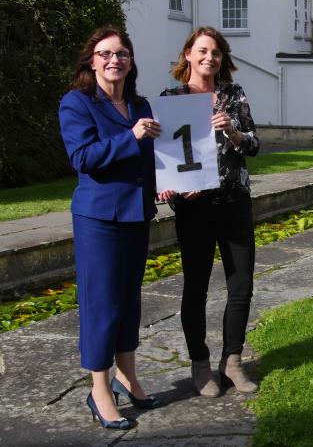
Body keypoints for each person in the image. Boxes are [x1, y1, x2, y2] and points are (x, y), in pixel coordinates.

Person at [59, 26, 162, 430]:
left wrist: (163, 187)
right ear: (91, 60)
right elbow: (83, 158)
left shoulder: (140, 104)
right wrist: (131, 137)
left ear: (130, 61)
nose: (113, 60)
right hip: (98, 218)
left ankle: (128, 376)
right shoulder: (77, 103)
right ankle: (99, 388)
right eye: (105, 54)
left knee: (129, 302)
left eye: (121, 53)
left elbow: (151, 158)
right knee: (101, 303)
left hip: (136, 214)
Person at [159, 26, 260, 397]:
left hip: (234, 200)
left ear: (222, 59)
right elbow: (164, 157)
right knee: (196, 287)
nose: (209, 58)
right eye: (202, 51)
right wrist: (165, 185)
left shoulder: (233, 95)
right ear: (188, 54)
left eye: (215, 53)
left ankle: (232, 360)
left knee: (242, 284)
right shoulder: (170, 99)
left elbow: (253, 144)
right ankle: (200, 365)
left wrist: (233, 131)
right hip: (194, 206)